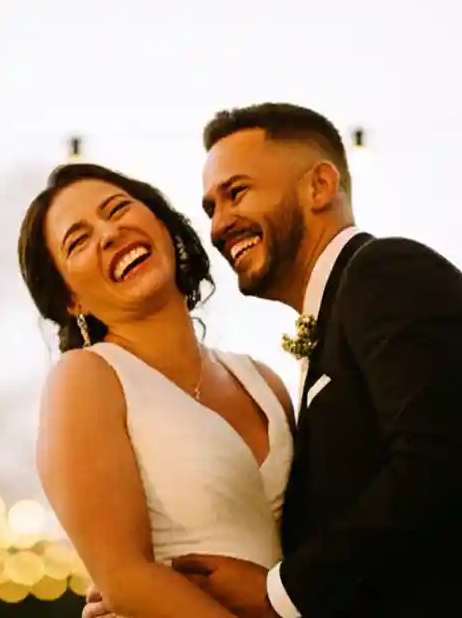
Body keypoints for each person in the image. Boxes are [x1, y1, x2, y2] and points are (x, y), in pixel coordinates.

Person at [86, 103, 462, 617]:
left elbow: (440, 466)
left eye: (238, 192)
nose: (221, 223)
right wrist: (159, 595)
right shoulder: (336, 318)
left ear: (319, 186)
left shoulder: (388, 273)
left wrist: (278, 594)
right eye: (210, 208)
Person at [18, 162, 295, 617]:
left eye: (118, 209)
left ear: (162, 225)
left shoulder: (262, 382)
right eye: (79, 240)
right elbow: (126, 577)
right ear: (71, 300)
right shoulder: (88, 378)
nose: (109, 234)